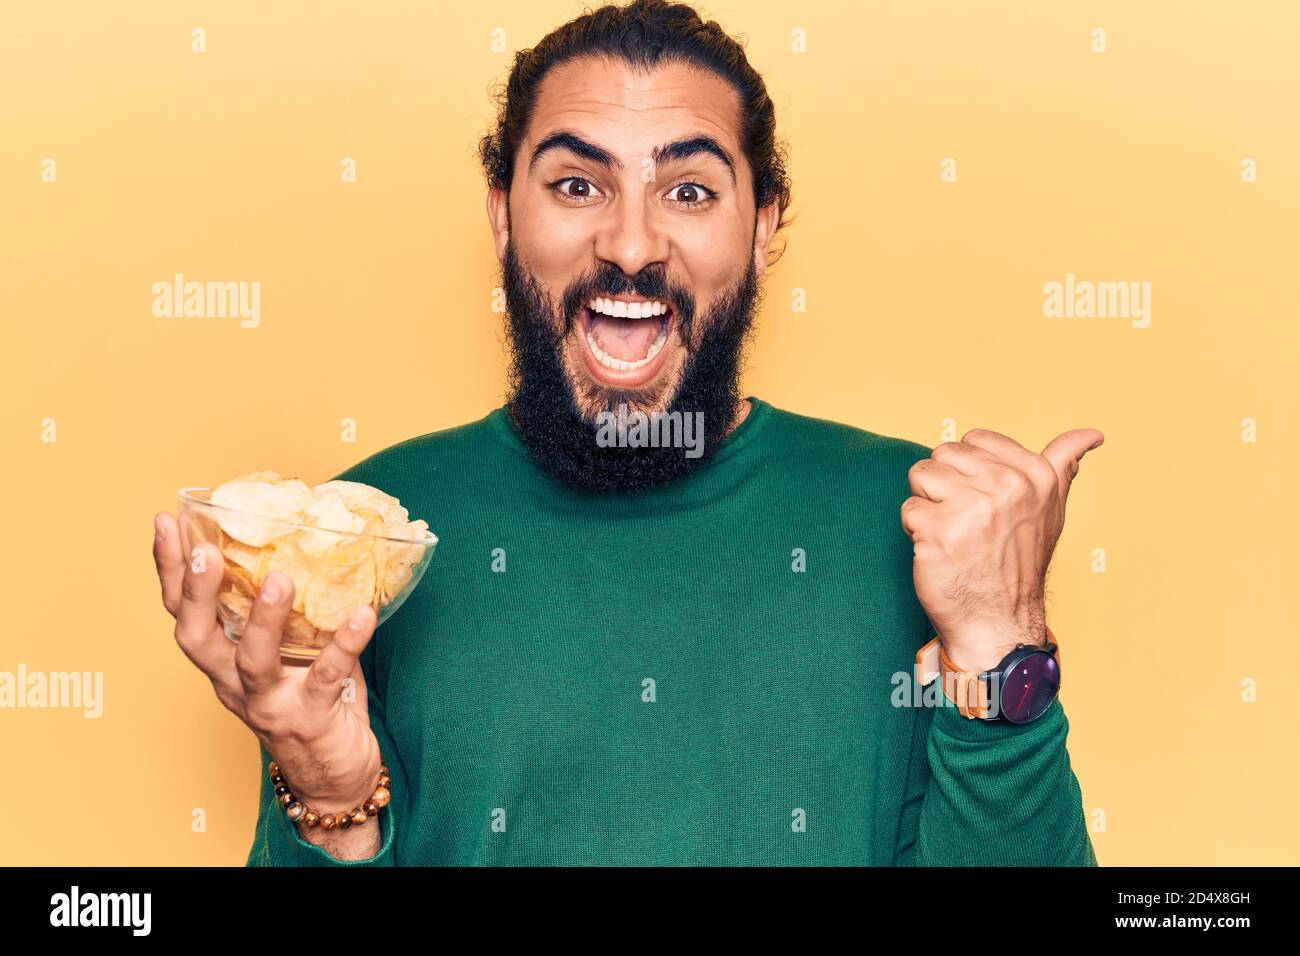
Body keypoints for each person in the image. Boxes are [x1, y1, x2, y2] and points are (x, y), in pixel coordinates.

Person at [152, 0, 1101, 865]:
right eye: (576, 185)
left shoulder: (919, 528)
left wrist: (1003, 645)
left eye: (690, 191)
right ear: (500, 215)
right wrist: (331, 796)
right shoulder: (370, 541)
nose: (633, 245)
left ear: (765, 227)